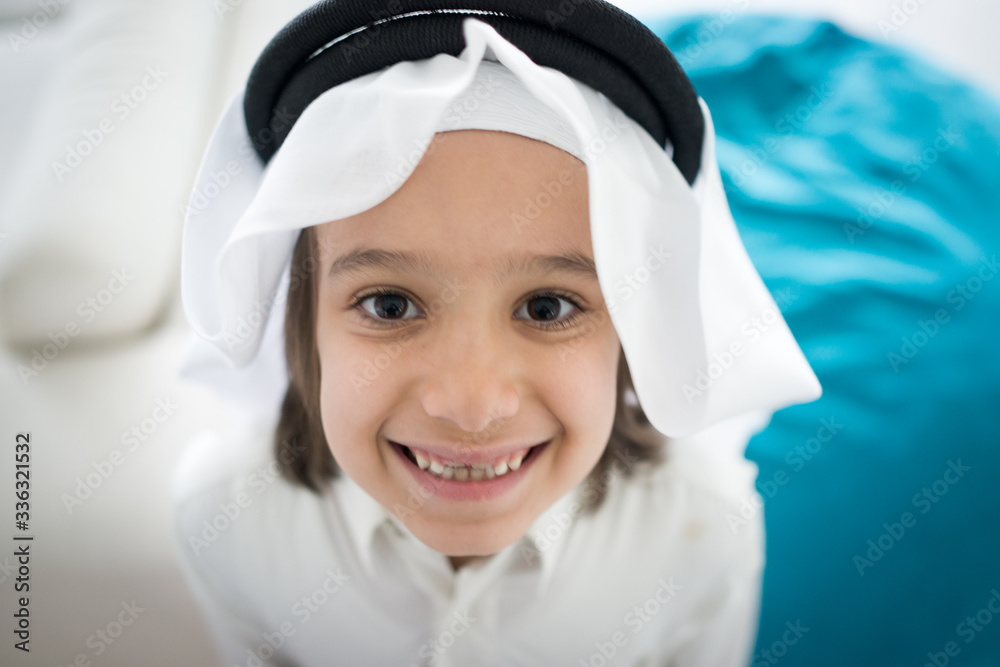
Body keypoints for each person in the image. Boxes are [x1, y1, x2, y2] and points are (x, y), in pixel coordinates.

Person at [171, 2, 821, 665]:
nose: (471, 404)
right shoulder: (225, 521)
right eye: (390, 305)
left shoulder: (704, 537)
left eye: (547, 308)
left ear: (633, 328)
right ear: (302, 321)